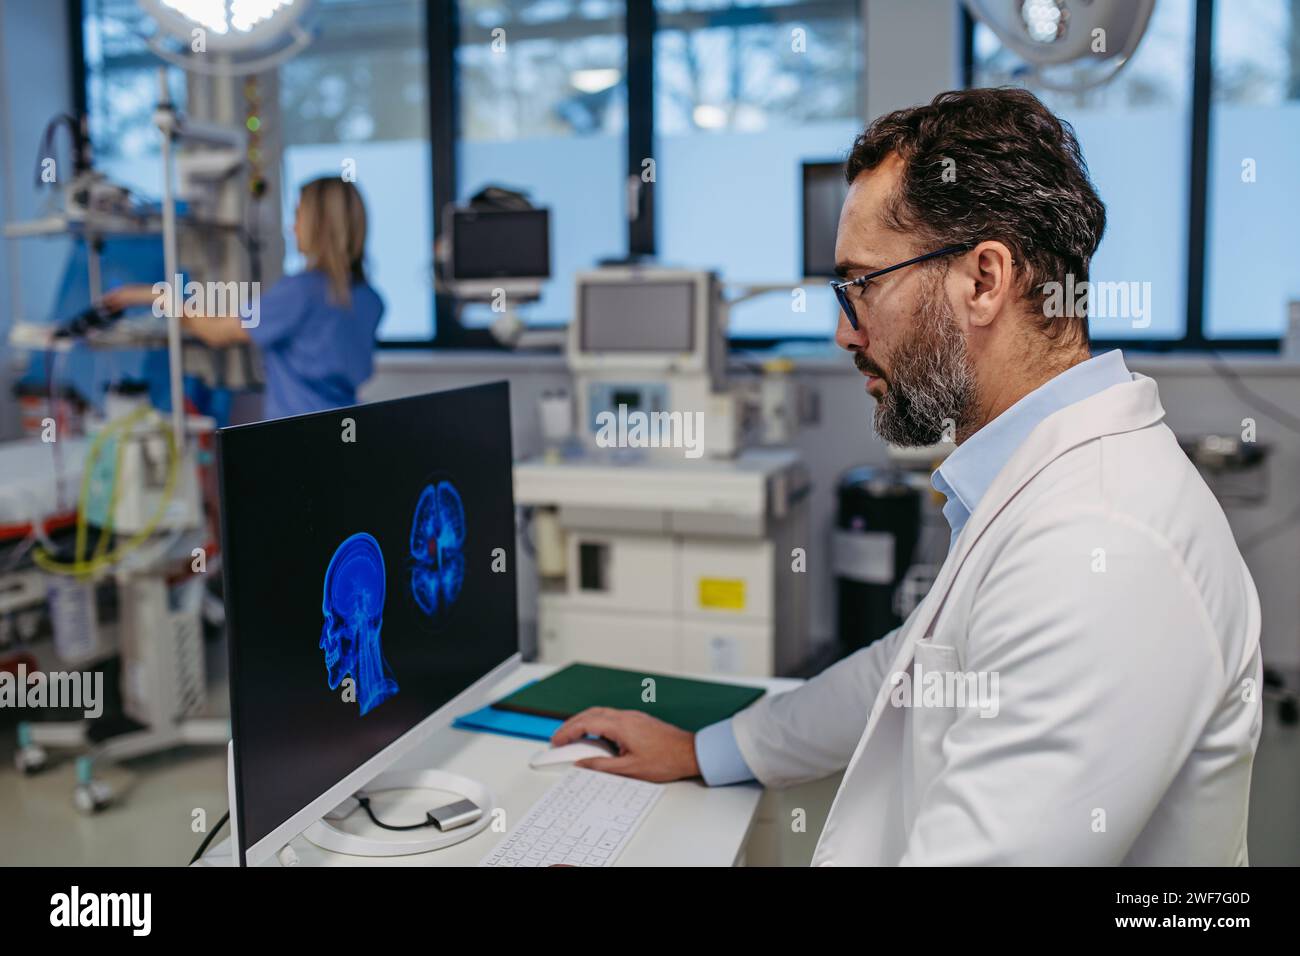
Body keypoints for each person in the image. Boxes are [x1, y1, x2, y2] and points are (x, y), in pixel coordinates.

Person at [549, 88, 1263, 866]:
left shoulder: (1099, 542)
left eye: (862, 285)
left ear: (985, 280)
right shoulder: (1034, 484)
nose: (844, 331)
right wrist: (705, 750)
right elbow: (914, 671)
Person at [104, 176, 384, 421]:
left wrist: (154, 295)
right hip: (349, 428)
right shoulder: (370, 300)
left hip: (301, 437)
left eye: (298, 216)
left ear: (319, 225)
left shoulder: (300, 293)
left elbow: (217, 332)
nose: (292, 227)